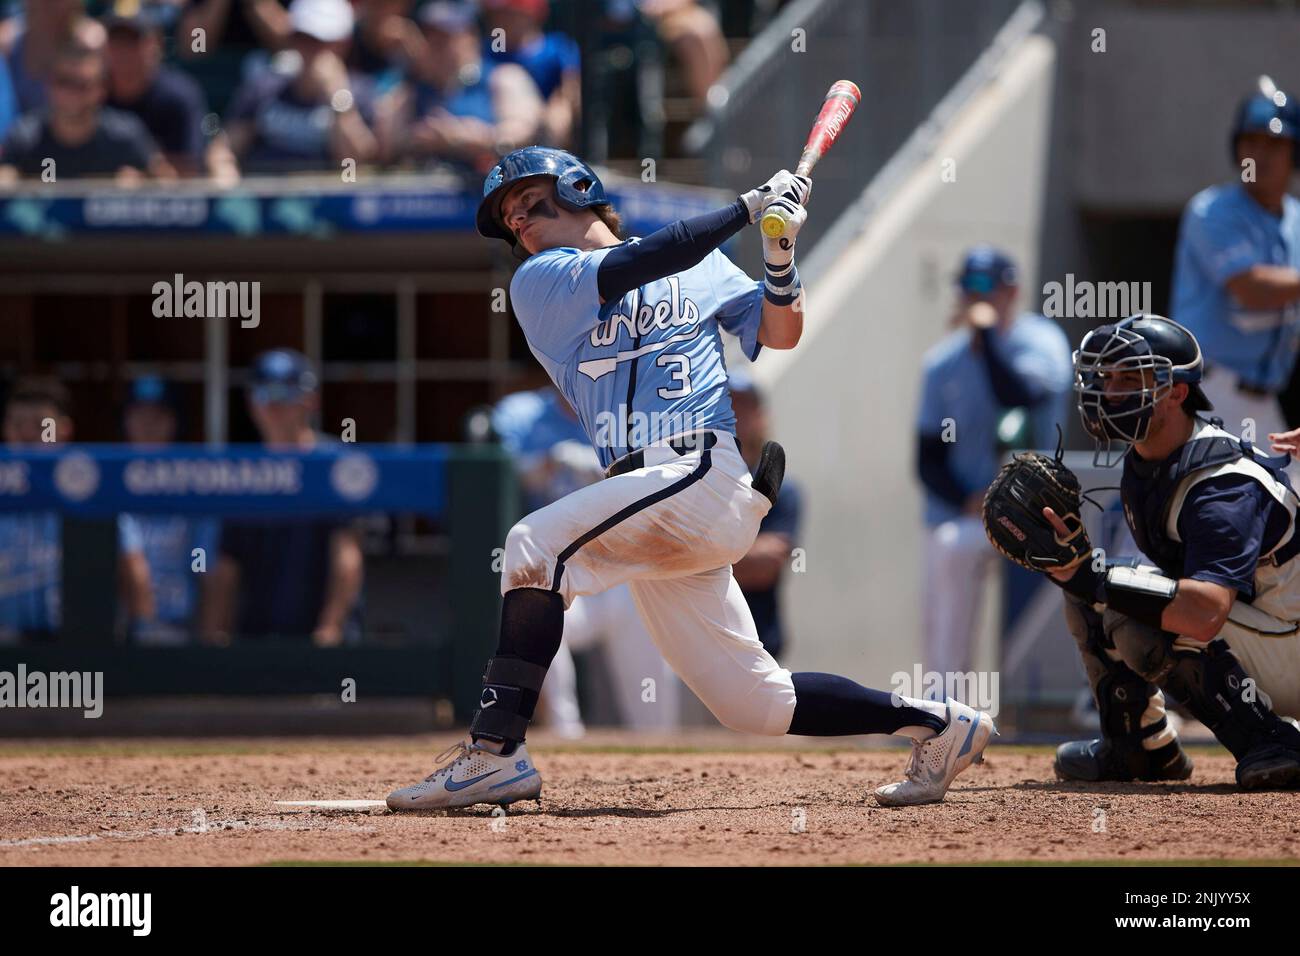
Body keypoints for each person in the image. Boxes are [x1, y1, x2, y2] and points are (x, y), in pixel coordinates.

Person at [385, 145, 995, 813]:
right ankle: (940, 725)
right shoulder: (540, 282)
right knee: (755, 702)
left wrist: (781, 255)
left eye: (529, 202)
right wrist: (747, 207)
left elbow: (778, 332)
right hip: (654, 505)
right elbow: (642, 260)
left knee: (533, 546)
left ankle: (494, 753)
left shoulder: (702, 265)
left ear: (578, 188)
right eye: (508, 218)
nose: (519, 221)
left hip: (695, 472)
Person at [1035, 314, 1300, 790]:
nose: (1111, 390)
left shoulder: (1221, 487)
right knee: (1096, 595)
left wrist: (1093, 576)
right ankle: (1140, 748)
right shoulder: (1151, 460)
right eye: (1106, 376)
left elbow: (1203, 614)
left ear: (1177, 391)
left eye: (1131, 378)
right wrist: (1084, 578)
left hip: (1291, 643)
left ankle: (1273, 742)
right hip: (1272, 632)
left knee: (1125, 604)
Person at [915, 247, 1071, 676]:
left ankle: (1054, 706)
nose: (976, 297)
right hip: (963, 512)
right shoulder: (942, 363)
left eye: (986, 287)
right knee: (949, 550)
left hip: (1038, 512)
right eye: (968, 287)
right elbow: (927, 458)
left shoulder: (1042, 341)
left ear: (1013, 289)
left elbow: (1019, 394)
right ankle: (944, 713)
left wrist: (986, 339)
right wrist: (970, 500)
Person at [491, 385, 681, 734]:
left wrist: (606, 473)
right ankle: (567, 738)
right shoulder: (520, 412)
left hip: (623, 570)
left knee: (653, 700)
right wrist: (547, 463)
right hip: (561, 571)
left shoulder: (629, 411)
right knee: (537, 619)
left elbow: (666, 473)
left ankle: (661, 746)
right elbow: (498, 468)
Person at [200, 349, 364, 645]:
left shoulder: (334, 462)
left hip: (322, 646)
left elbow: (347, 556)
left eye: (285, 394)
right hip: (256, 642)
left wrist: (330, 628)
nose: (274, 405)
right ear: (251, 402)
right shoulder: (244, 473)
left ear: (309, 401)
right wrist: (214, 636)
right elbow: (225, 566)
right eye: (265, 393)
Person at [1171, 77, 1300, 447]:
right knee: (1224, 501)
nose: (1260, 154)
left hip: (1264, 400)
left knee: (1284, 497)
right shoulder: (1212, 211)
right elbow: (1252, 290)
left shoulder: (1295, 219)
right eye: (1251, 141)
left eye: (1275, 143)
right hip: (1211, 393)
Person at [212, 0, 378, 176]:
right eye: (303, 38)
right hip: (263, 196)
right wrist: (226, 179)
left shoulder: (360, 92)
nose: (312, 49)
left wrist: (337, 96)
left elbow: (355, 166)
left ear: (344, 43)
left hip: (326, 200)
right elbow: (224, 149)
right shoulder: (265, 86)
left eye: (323, 41)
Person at [374, 0, 540, 175]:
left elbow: (521, 135)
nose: (437, 44)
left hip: (490, 192)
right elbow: (385, 149)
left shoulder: (503, 77)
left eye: (446, 37)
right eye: (430, 36)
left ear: (470, 37)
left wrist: (468, 139)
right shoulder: (412, 88)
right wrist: (418, 138)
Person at [117, 376, 219, 645]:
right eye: (139, 414)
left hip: (183, 627)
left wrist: (208, 640)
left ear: (174, 421)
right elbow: (128, 566)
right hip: (122, 636)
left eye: (158, 415)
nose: (148, 424)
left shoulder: (194, 487)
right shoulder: (111, 483)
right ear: (126, 420)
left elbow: (205, 569)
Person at [0, 42, 170, 184]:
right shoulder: (25, 137)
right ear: (49, 86)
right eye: (64, 81)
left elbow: (169, 184)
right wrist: (10, 184)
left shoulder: (125, 136)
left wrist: (142, 185)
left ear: (102, 89)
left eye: (83, 84)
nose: (72, 93)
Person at [728, 369, 801, 660]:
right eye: (730, 404)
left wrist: (703, 559)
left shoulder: (786, 490)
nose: (736, 415)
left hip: (761, 646)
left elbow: (766, 568)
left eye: (746, 406)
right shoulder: (699, 483)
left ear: (762, 415)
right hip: (702, 645)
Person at [0, 378, 73, 644]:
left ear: (63, 430)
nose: (28, 434)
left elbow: (132, 572)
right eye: (17, 424)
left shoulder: (87, 488)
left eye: (43, 426)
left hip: (73, 645)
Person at [103, 9, 209, 176]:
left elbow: (189, 171)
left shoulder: (177, 95)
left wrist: (142, 178)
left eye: (132, 42)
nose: (123, 52)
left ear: (156, 44)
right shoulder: (88, 91)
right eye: (116, 42)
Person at [479, 0, 580, 148]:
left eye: (508, 14)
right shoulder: (493, 49)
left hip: (546, 122)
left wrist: (553, 111)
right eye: (496, 15)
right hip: (503, 119)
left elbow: (571, 88)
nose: (500, 20)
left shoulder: (556, 46)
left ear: (531, 15)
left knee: (560, 115)